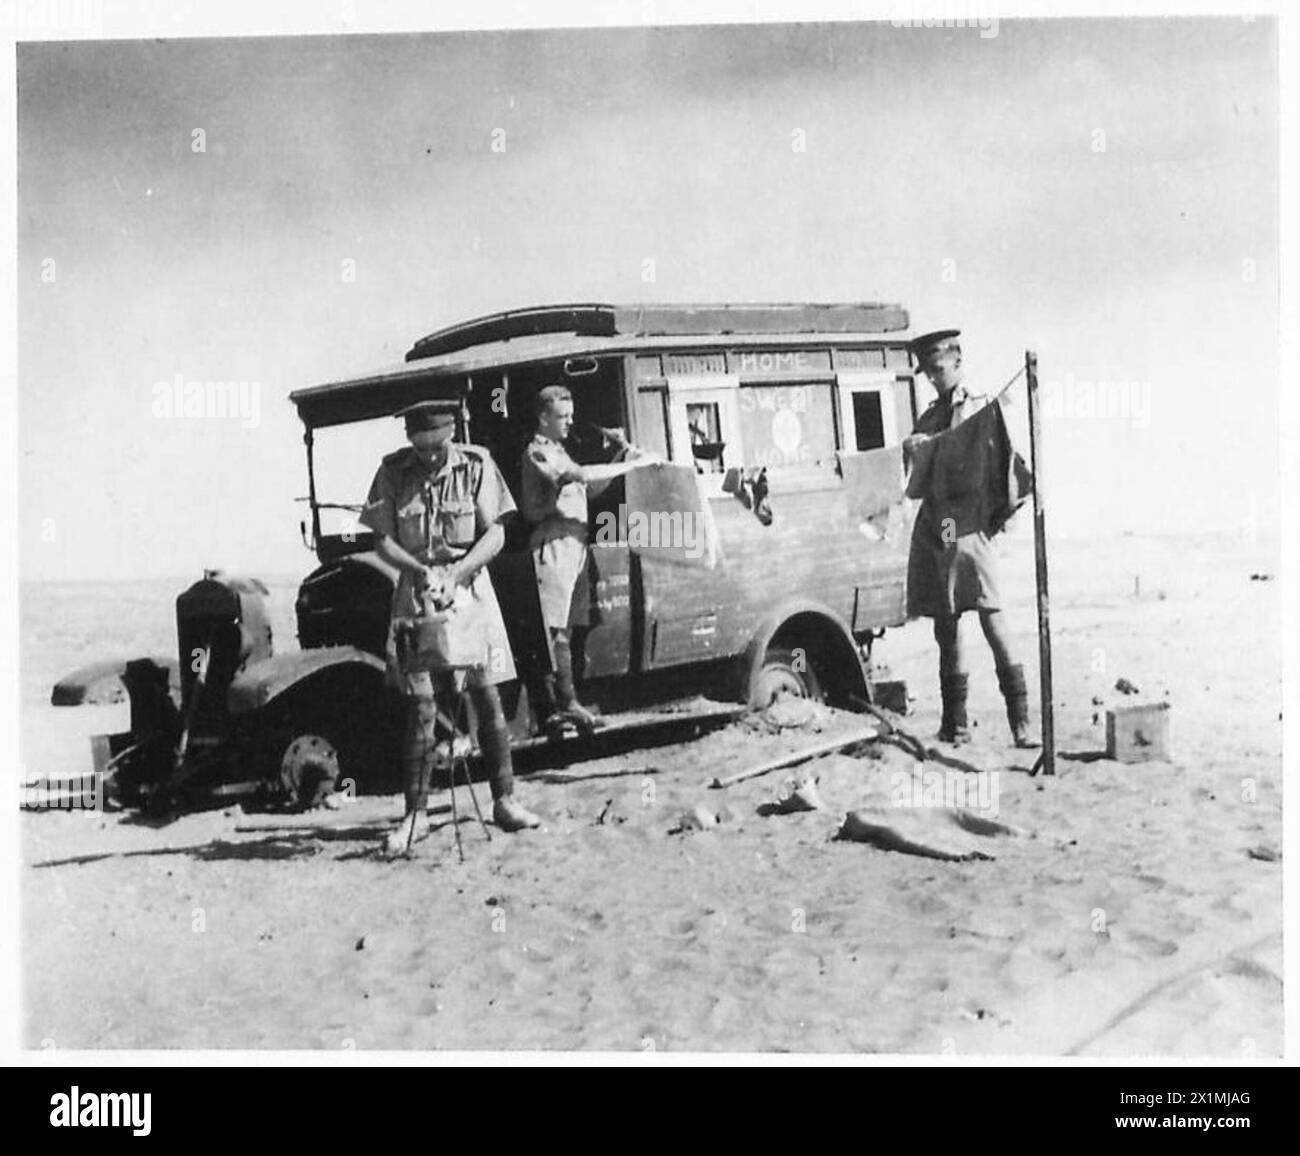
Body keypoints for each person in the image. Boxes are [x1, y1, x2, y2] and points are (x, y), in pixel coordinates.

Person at [359, 400, 541, 857]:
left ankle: (505, 800)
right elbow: (381, 539)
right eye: (421, 449)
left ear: (452, 433)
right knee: (420, 704)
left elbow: (497, 532)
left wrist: (458, 574)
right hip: (417, 591)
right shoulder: (392, 472)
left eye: (438, 447)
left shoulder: (477, 464)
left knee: (485, 692)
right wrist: (421, 573)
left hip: (470, 589)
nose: (431, 457)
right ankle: (414, 816)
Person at [903, 329, 1038, 749]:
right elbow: (917, 477)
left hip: (971, 527)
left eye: (937, 369)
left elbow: (1003, 463)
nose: (932, 378)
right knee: (946, 624)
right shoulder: (927, 417)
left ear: (957, 362)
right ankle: (954, 723)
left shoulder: (980, 406)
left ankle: (1021, 723)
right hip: (939, 529)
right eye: (926, 372)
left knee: (992, 616)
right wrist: (913, 448)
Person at [519, 384, 658, 736]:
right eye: (562, 416)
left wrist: (620, 461)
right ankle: (559, 706)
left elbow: (588, 490)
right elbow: (581, 477)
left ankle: (567, 702)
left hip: (574, 544)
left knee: (569, 627)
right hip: (553, 543)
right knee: (554, 631)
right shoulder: (538, 452)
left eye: (570, 415)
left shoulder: (559, 450)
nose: (569, 422)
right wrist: (636, 463)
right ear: (543, 418)